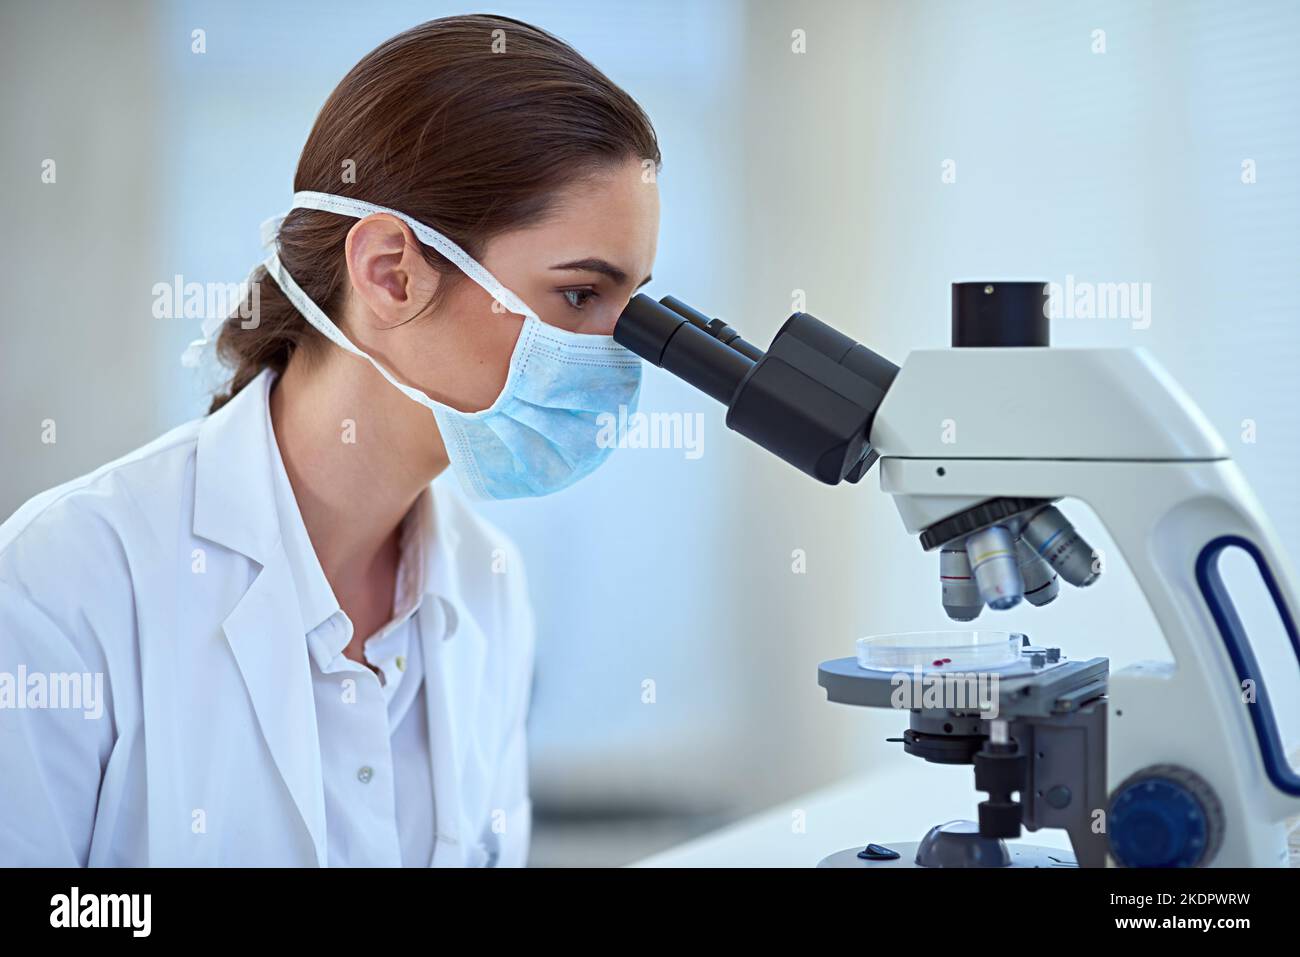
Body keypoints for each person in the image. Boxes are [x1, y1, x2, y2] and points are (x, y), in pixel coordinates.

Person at [0, 13, 660, 867]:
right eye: (580, 296)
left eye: (634, 304)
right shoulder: (65, 583)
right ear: (391, 271)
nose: (616, 353)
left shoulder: (488, 585)